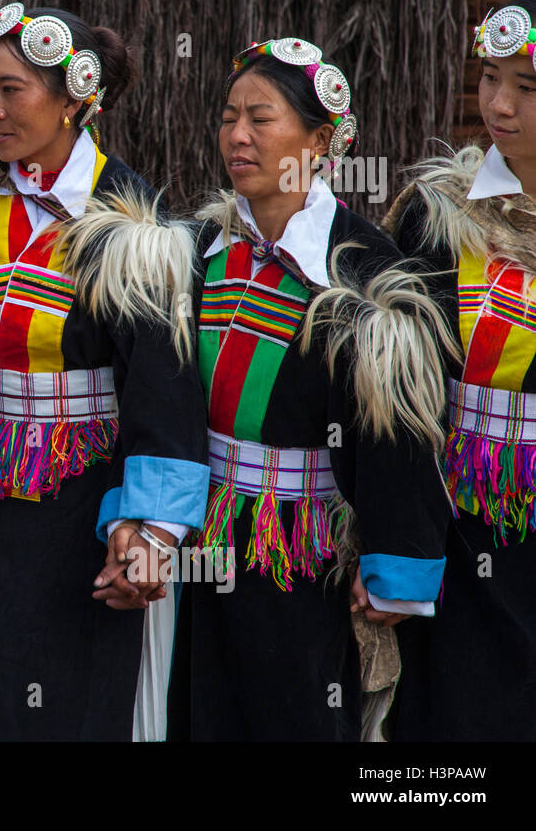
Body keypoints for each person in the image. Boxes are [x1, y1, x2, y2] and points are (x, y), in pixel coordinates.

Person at [0, 4, 208, 740]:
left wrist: (146, 527)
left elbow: (162, 384)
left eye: (12, 90)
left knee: (75, 700)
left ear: (77, 95)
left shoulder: (132, 220)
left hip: (88, 504)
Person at [167, 37, 453, 740]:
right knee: (204, 709)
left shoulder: (364, 266)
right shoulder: (204, 249)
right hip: (207, 542)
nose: (237, 136)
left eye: (260, 119)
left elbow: (399, 427)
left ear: (319, 140)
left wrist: (397, 561)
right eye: (229, 116)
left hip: (307, 555)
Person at [386, 0, 536, 739]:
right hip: (456, 521)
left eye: (526, 86)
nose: (499, 105)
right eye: (488, 77)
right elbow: (396, 393)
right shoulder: (438, 215)